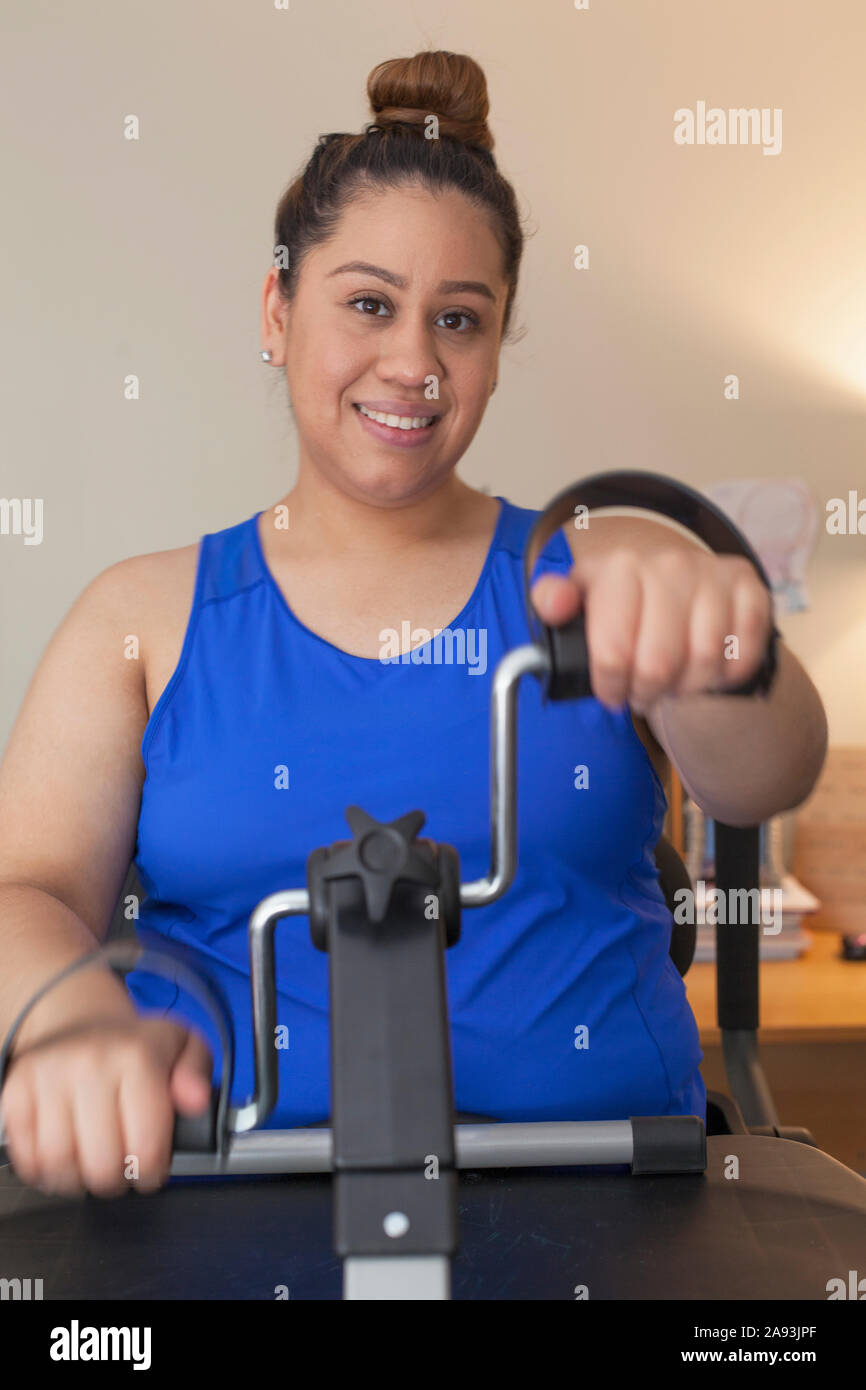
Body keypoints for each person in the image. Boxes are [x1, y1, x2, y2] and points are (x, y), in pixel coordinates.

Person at [0, 50, 827, 1198]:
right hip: (225, 1209)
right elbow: (25, 890)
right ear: (278, 313)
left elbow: (767, 775)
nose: (411, 362)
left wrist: (721, 651)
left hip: (603, 1202)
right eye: (368, 304)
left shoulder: (603, 562)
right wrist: (67, 1018)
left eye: (459, 320)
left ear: (496, 350)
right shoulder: (138, 618)